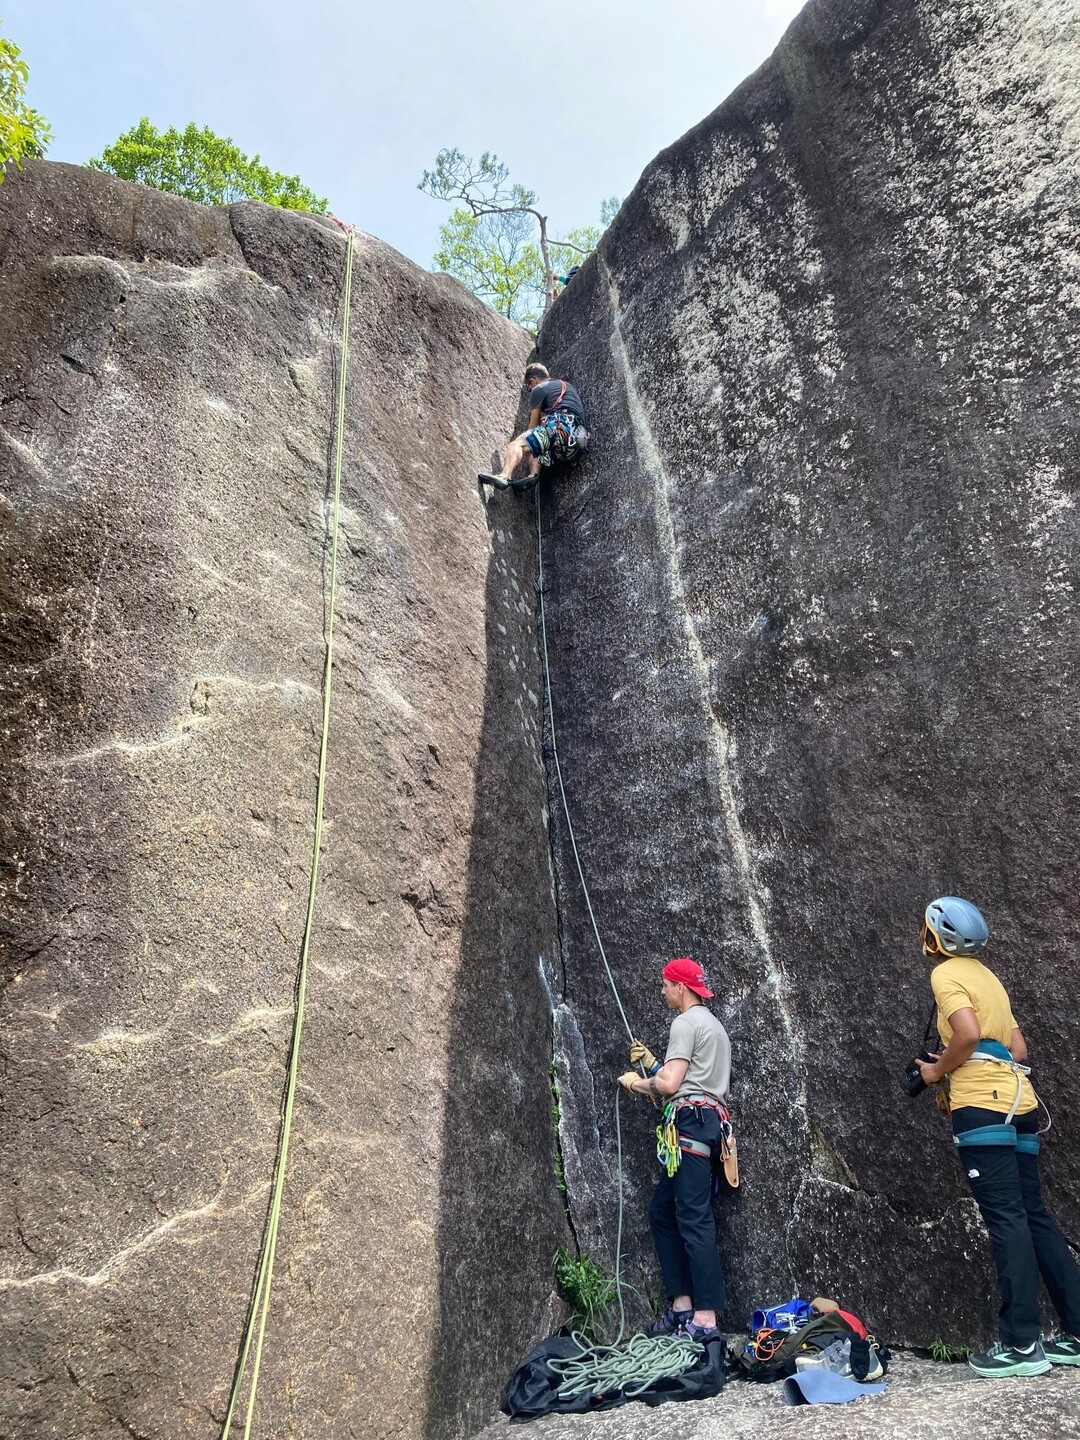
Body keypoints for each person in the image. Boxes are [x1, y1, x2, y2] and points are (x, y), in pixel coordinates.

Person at [915, 896, 1080, 1377]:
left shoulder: (946, 975)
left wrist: (935, 1073)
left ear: (937, 937)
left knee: (1006, 1219)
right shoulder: (988, 977)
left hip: (982, 1103)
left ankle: (1022, 1346)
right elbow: (1018, 1046)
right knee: (1034, 1216)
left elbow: (965, 1034)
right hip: (1021, 1103)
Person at [618, 956, 732, 1342]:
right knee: (663, 1211)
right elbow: (685, 1076)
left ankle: (705, 1317)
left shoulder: (684, 1022)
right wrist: (653, 1062)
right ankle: (682, 1306)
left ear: (681, 987)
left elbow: (670, 1086)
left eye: (666, 984)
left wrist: (635, 1082)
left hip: (690, 1125)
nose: (663, 991)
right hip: (706, 1126)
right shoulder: (713, 1026)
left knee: (694, 1218)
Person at [478, 363, 588, 493]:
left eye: (529, 387)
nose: (530, 390)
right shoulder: (567, 387)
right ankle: (533, 475)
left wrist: (526, 442)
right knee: (539, 448)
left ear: (532, 381)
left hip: (560, 426)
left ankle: (504, 476)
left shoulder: (539, 389)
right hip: (575, 443)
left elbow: (532, 426)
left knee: (518, 444)